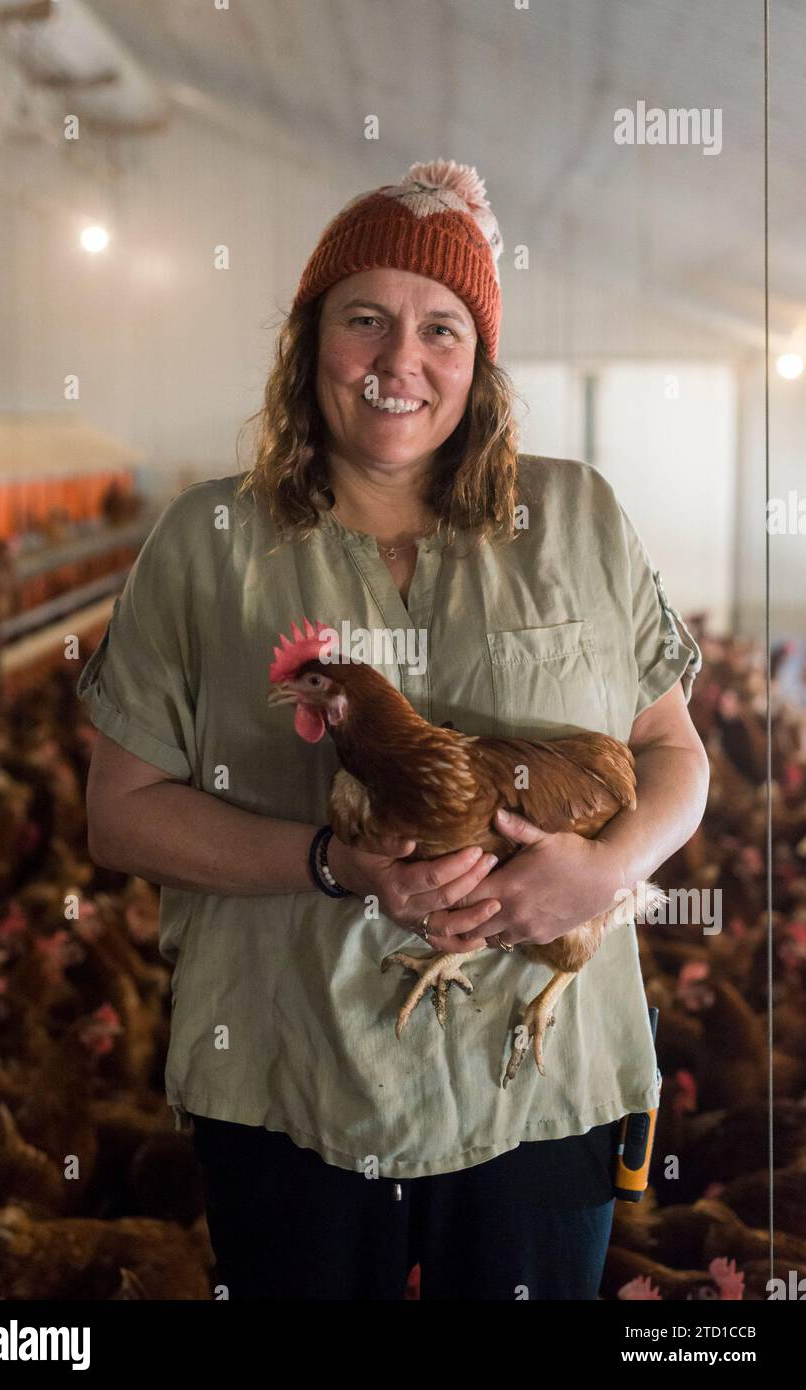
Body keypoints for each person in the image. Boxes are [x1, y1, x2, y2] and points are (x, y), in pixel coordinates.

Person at [79, 160, 709, 1301]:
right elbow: (118, 816)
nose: (400, 362)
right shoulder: (206, 541)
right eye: (364, 318)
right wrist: (328, 863)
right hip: (290, 1078)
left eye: (442, 328)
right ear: (311, 338)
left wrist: (608, 869)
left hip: (541, 1082)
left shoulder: (577, 519)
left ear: (481, 359)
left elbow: (678, 758)